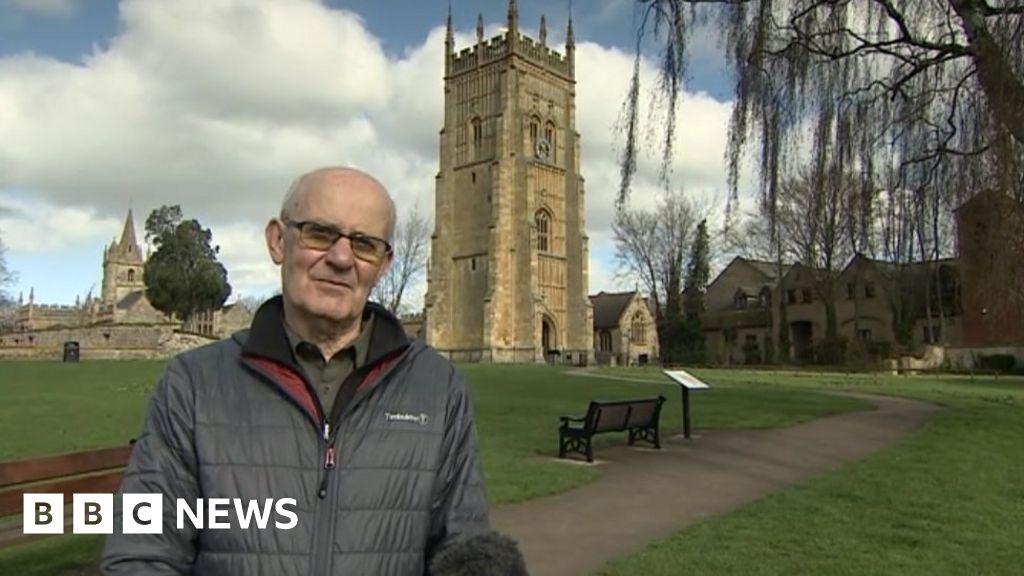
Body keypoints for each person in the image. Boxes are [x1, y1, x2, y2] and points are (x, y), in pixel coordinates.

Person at [101, 167, 490, 575]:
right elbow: (143, 552)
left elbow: (464, 547)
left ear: (384, 263)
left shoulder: (437, 387)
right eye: (319, 233)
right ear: (277, 241)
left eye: (364, 244)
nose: (341, 259)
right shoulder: (194, 384)